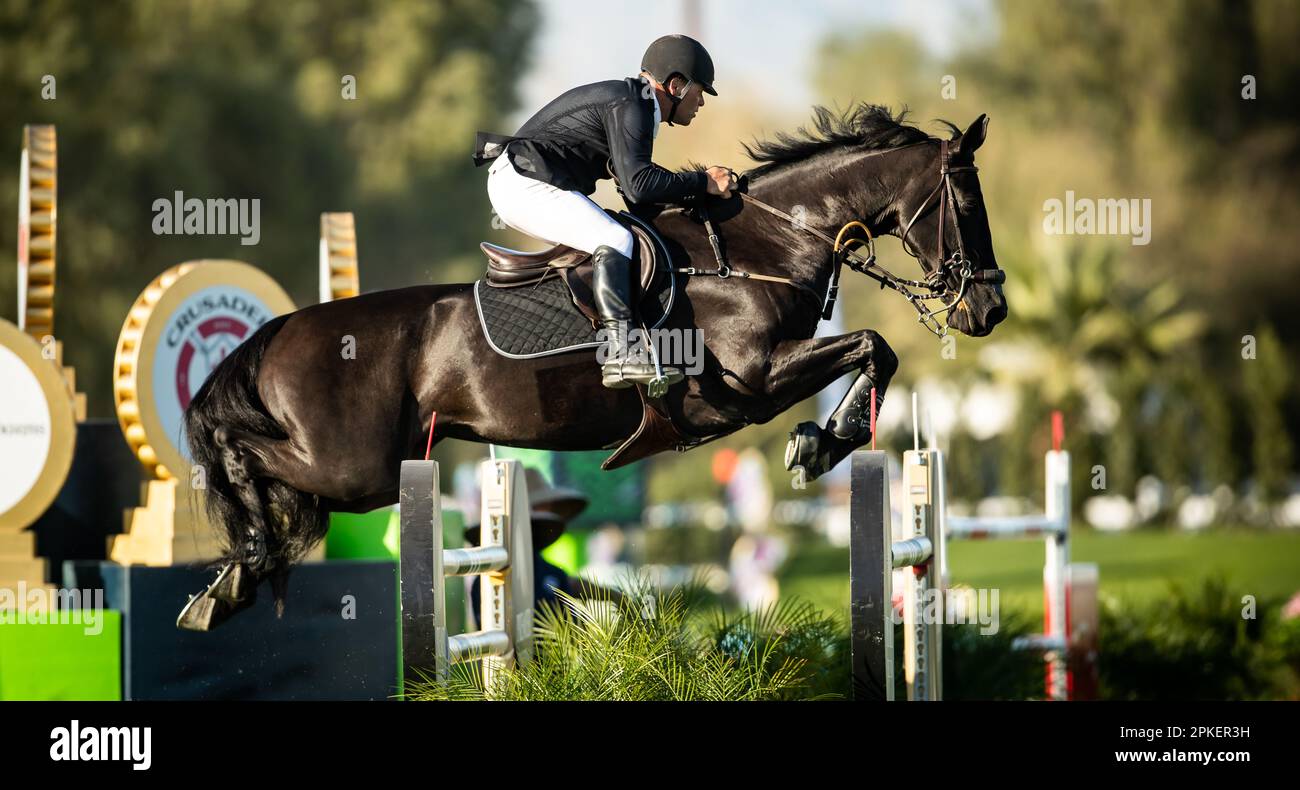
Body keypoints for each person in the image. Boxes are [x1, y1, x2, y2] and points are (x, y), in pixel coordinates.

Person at [472, 34, 737, 389]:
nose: (702, 102)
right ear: (675, 85)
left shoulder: (636, 102)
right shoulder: (634, 104)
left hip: (521, 178)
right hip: (522, 181)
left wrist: (698, 200)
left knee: (618, 234)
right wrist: (701, 181)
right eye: (700, 91)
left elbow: (641, 200)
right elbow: (640, 185)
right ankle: (622, 354)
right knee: (612, 237)